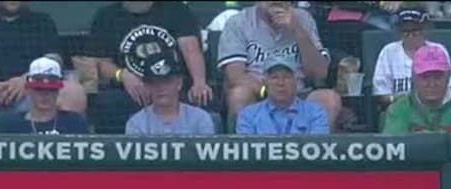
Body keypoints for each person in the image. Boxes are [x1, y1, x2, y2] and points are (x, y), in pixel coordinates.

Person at [74, 1, 212, 134]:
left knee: (202, 96)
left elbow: (190, 48)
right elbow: (101, 63)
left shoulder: (176, 10)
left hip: (172, 84)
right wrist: (121, 74)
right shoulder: (106, 16)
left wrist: (199, 82)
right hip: (129, 90)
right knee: (108, 103)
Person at [218, 0, 341, 129]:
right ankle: (242, 147)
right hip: (258, 94)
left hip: (298, 92)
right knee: (239, 95)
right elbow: (235, 75)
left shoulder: (303, 19)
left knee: (329, 99)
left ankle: (312, 148)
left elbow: (319, 73)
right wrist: (268, 91)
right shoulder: (238, 22)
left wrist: (297, 30)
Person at [0, 0, 87, 118]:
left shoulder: (41, 21)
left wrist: (28, 79)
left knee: (73, 93)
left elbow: (54, 59)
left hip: (32, 90)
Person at [382, 43, 451, 132]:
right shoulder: (398, 109)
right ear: (413, 78)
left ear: (448, 76)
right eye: (424, 77)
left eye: (438, 77)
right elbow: (396, 148)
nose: (432, 84)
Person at [371, 6, 451, 108]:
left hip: (434, 109)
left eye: (415, 30)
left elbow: (450, 89)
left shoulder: (438, 50)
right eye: (405, 31)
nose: (410, 35)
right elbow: (381, 94)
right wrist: (397, 99)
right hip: (399, 110)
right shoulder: (388, 52)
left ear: (426, 29)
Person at [124, 44, 215, 134]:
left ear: (179, 83)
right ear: (147, 87)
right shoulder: (136, 124)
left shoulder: (200, 119)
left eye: (167, 82)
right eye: (155, 82)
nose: (161, 88)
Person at [0, 56, 88, 132]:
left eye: (51, 90)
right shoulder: (8, 125)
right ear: (29, 90)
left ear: (58, 91)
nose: (45, 95)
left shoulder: (75, 123)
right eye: (39, 89)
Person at [235, 57, 329, 133]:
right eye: (274, 77)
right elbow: (248, 154)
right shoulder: (248, 115)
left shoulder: (316, 113)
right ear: (265, 82)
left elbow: (318, 150)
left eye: (287, 77)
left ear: (296, 81)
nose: (280, 83)